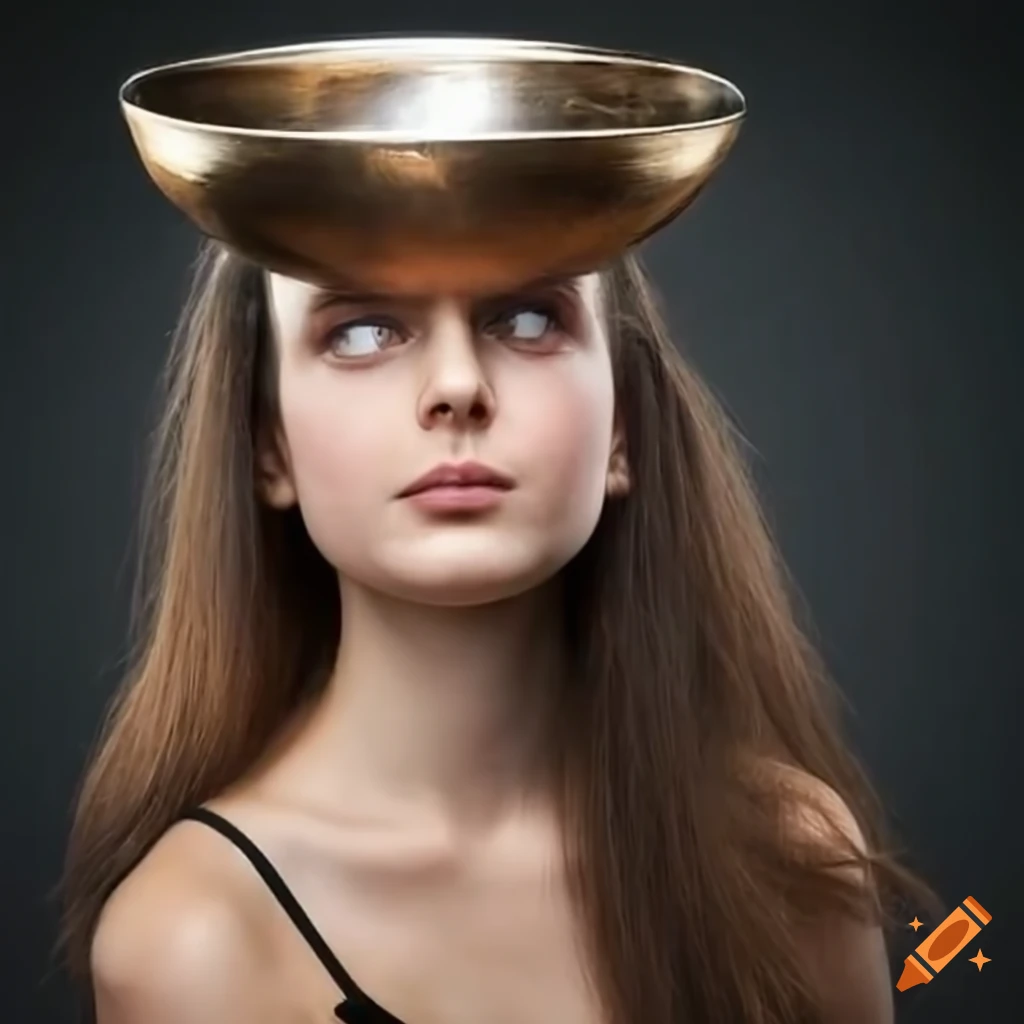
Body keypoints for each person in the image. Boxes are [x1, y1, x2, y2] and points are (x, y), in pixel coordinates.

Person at [56, 40, 940, 1024]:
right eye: (360, 329)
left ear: (621, 427)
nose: (456, 388)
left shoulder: (790, 861)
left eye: (526, 319)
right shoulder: (196, 939)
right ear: (269, 444)